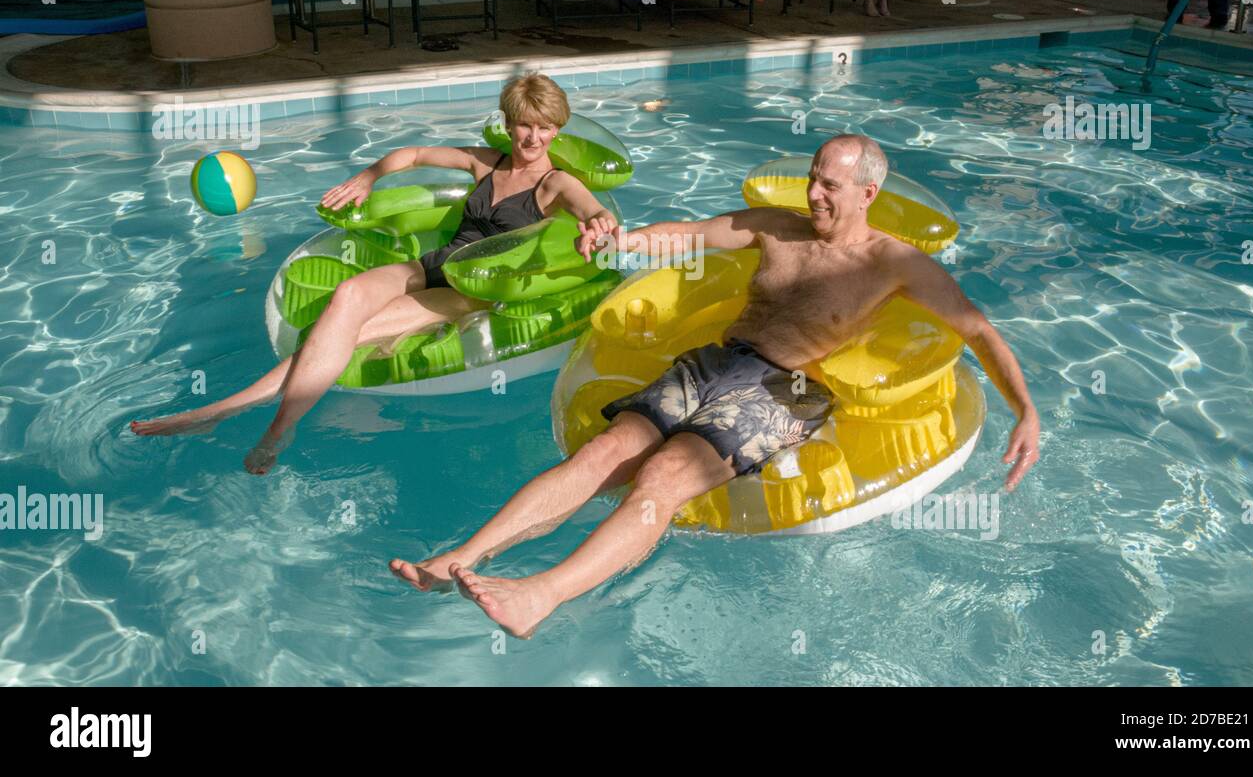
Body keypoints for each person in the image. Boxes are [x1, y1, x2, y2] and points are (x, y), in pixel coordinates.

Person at [390, 135, 1041, 638]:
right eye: (813, 177)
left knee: (664, 477)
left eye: (830, 185)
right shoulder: (778, 226)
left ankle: (542, 593)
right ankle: (461, 557)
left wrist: (1026, 412)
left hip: (790, 387)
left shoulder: (894, 263)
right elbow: (689, 237)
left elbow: (978, 331)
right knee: (602, 453)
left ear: (868, 192)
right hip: (718, 358)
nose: (814, 193)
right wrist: (619, 240)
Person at [131, 73, 618, 474]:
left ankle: (258, 424)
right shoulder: (485, 163)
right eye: (523, 126)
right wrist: (368, 177)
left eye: (544, 127)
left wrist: (598, 228)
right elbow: (412, 155)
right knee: (346, 297)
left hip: (472, 290)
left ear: (557, 129)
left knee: (350, 334)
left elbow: (595, 211)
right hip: (434, 265)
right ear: (508, 125)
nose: (532, 138)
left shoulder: (556, 183)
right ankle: (223, 413)